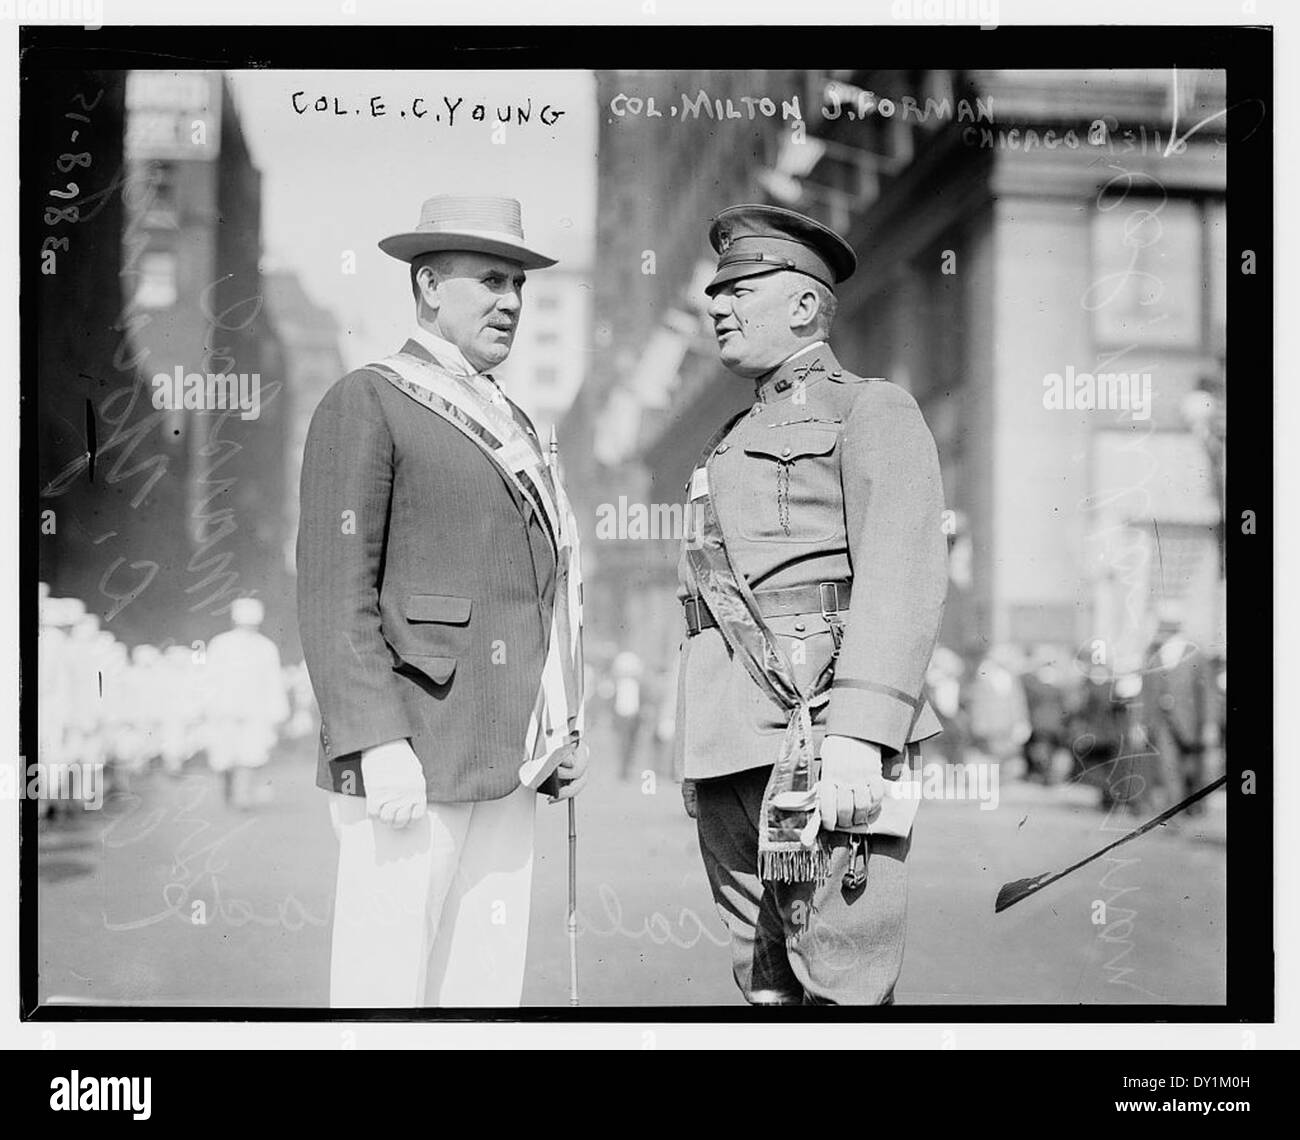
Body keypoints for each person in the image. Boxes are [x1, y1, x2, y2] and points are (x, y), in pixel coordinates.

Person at [297, 194, 588, 1008]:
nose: (513, 302)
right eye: (492, 281)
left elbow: (540, 592)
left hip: (509, 760)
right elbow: (333, 593)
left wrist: (557, 727)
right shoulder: (369, 399)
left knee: (482, 995)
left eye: (521, 286)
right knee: (382, 990)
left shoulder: (514, 416)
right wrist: (373, 739)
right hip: (413, 752)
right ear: (428, 286)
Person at [674, 204, 947, 1005]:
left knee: (841, 974)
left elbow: (902, 571)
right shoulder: (727, 438)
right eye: (713, 292)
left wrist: (864, 735)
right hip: (730, 745)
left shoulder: (870, 409)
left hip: (824, 735)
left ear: (803, 305)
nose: (716, 305)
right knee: (761, 982)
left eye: (739, 288)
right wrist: (695, 751)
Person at [206, 597, 291, 808]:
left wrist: (277, 712)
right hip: (224, 710)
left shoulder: (266, 647)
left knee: (250, 753)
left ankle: (241, 795)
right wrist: (208, 706)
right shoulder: (219, 643)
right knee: (224, 755)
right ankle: (231, 789)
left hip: (254, 711)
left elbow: (273, 682)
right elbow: (208, 678)